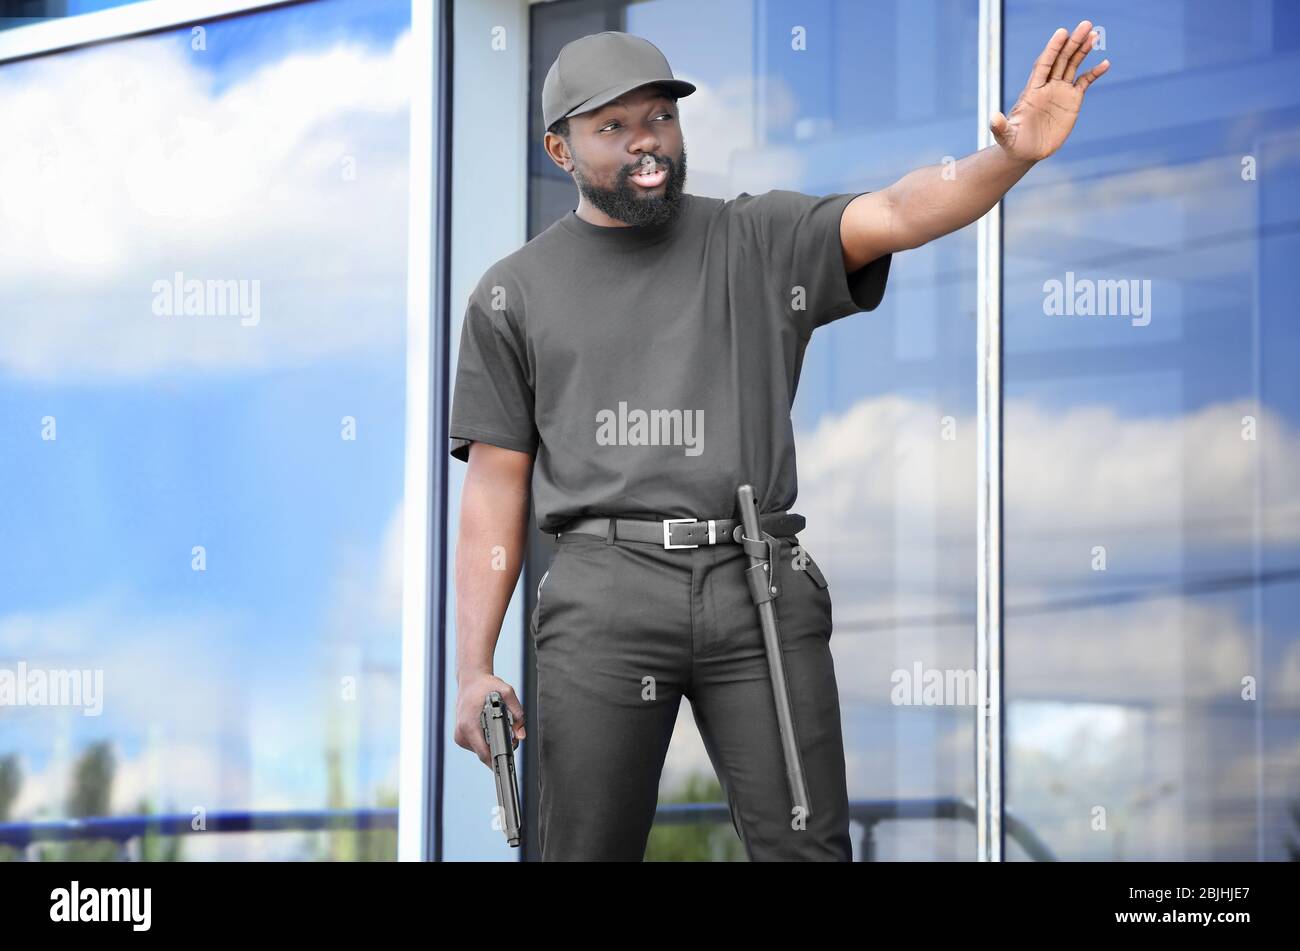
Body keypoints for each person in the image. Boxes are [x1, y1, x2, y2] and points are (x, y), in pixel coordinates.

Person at [451, 26, 1108, 861]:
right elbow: (494, 489)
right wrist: (474, 667)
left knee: (808, 849)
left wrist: (1011, 159)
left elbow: (901, 210)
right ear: (560, 150)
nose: (645, 140)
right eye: (611, 127)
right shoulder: (513, 294)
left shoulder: (754, 239)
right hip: (603, 597)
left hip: (757, 584)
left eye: (657, 117)